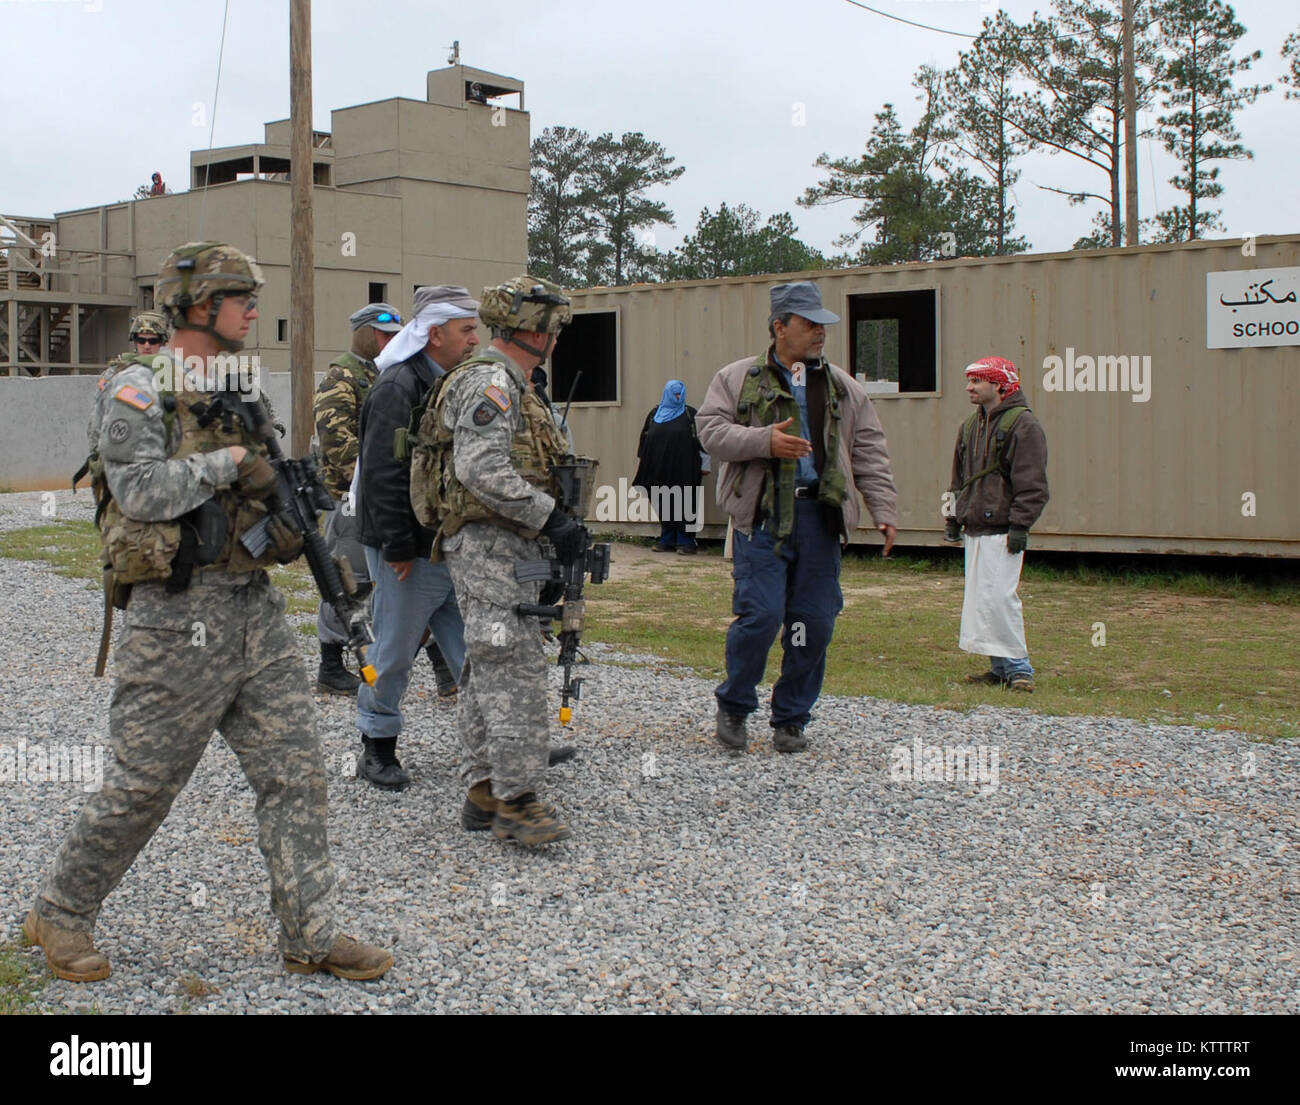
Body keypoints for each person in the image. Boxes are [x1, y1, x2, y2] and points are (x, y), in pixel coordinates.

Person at [26, 241, 392, 982]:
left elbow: (261, 488)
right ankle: (59, 912)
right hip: (173, 617)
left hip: (251, 609)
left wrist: (285, 517)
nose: (255, 307)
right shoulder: (136, 387)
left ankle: (310, 933)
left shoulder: (238, 389)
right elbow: (140, 492)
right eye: (240, 295)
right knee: (143, 782)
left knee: (295, 771)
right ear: (197, 306)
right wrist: (230, 465)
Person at [696, 281, 898, 754]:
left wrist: (884, 509)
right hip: (764, 517)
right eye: (808, 324)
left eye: (822, 324)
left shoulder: (842, 386)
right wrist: (764, 441)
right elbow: (709, 431)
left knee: (815, 623)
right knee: (762, 616)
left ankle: (791, 718)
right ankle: (735, 706)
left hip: (820, 519)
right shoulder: (736, 378)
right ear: (779, 327)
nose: (819, 333)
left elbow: (869, 449)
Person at [431, 275, 580, 846]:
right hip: (490, 543)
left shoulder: (513, 381)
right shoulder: (494, 382)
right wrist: (550, 516)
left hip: (506, 543)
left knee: (488, 663)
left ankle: (485, 790)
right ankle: (518, 801)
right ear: (534, 330)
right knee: (513, 664)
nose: (558, 337)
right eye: (555, 327)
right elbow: (479, 467)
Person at [352, 286, 475, 789]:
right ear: (435, 333)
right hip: (406, 548)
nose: (474, 340)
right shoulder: (399, 386)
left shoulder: (448, 380)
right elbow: (381, 472)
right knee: (394, 652)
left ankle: (504, 741)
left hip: (447, 545)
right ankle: (376, 746)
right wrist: (398, 546)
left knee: (476, 648)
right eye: (466, 330)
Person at [312, 302, 403, 695]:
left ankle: (432, 665)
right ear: (365, 333)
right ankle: (330, 664)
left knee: (397, 576)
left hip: (384, 496)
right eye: (383, 334)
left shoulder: (389, 374)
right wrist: (370, 484)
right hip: (349, 498)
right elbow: (336, 440)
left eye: (395, 334)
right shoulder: (342, 375)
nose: (390, 341)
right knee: (347, 579)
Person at [944, 356, 1049, 692]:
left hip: (1004, 528)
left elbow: (1032, 485)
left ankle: (1020, 668)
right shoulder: (970, 426)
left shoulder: (1024, 426)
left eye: (977, 381)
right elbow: (957, 479)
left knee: (1002, 598)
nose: (969, 388)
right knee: (981, 600)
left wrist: (1020, 526)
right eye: (969, 380)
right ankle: (1000, 669)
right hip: (975, 525)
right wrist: (951, 516)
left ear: (999, 385)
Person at [632, 379, 705, 555]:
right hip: (658, 469)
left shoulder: (690, 414)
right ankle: (667, 539)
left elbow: (703, 441)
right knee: (662, 501)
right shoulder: (654, 414)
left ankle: (686, 540)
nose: (677, 396)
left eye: (680, 393)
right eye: (674, 393)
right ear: (667, 393)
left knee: (685, 502)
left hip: (685, 470)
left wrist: (706, 464)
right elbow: (645, 441)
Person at [86, 312, 172, 453]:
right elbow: (98, 415)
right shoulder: (116, 373)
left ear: (163, 342)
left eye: (153, 341)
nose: (146, 346)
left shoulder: (173, 372)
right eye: (141, 340)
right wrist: (96, 452)